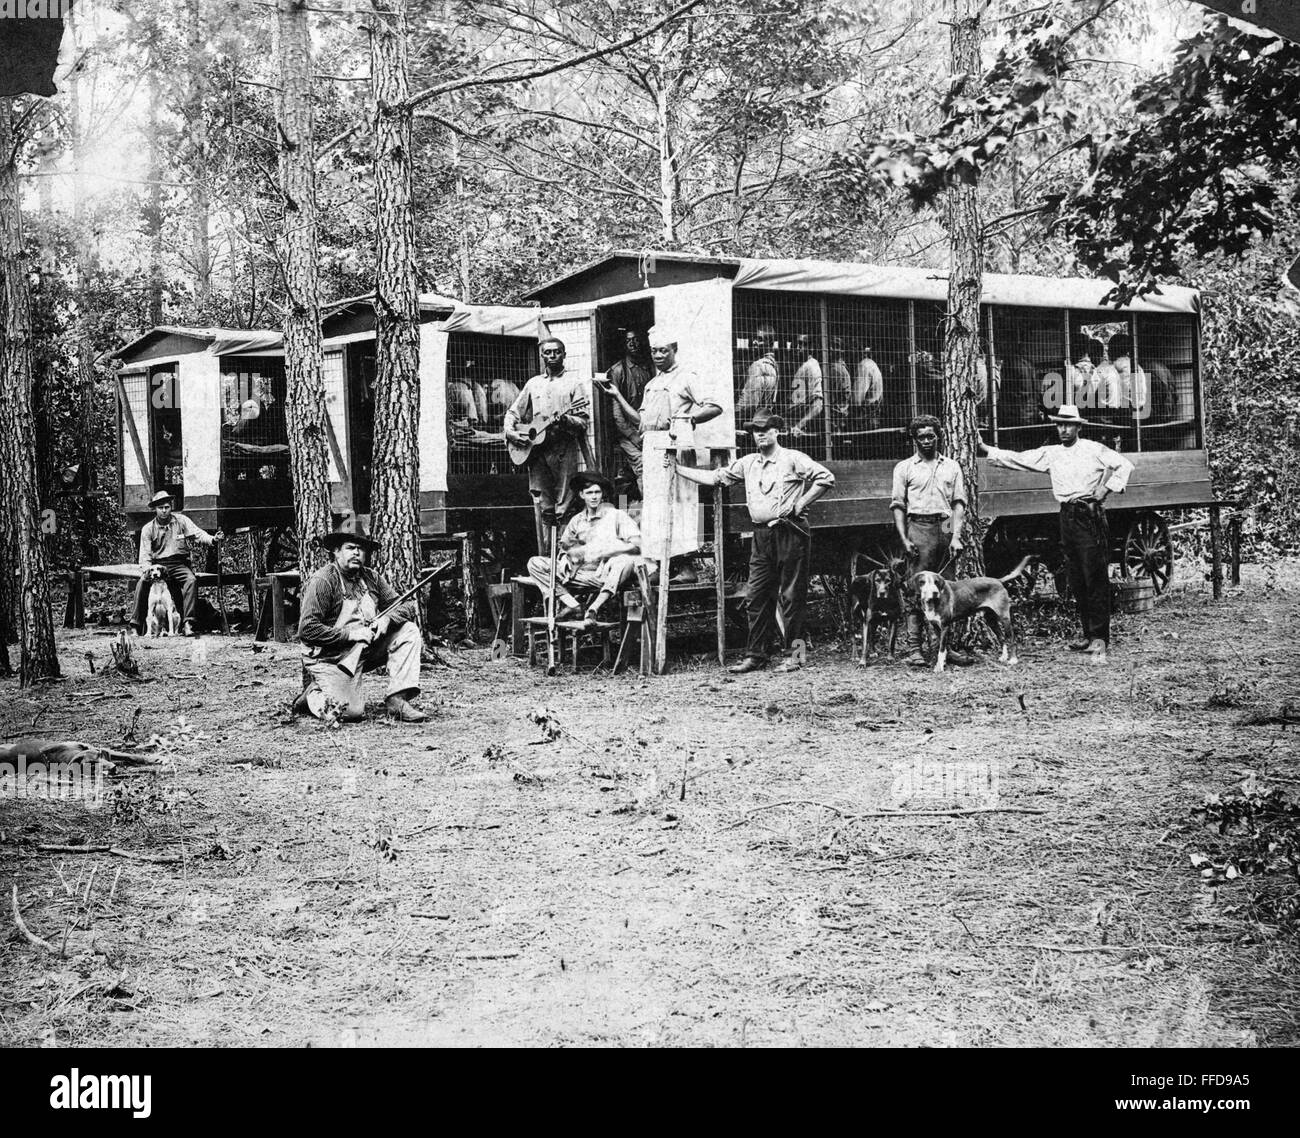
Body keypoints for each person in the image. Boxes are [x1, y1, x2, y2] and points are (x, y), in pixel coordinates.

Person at [668, 412, 835, 674]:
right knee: (756, 596)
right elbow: (716, 478)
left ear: (777, 431)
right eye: (756, 430)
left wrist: (801, 503)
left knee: (792, 596)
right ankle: (757, 656)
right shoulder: (748, 463)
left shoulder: (792, 458)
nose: (760, 434)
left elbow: (826, 478)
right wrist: (678, 470)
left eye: (766, 429)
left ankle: (797, 655)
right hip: (761, 536)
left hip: (790, 532)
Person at [979, 403, 1134, 661]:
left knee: (1094, 575)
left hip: (1089, 515)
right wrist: (986, 449)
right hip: (1066, 515)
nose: (1063, 429)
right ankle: (1087, 633)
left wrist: (1105, 490)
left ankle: (1099, 638)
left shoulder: (1094, 449)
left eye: (1068, 425)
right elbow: (1020, 458)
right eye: (1060, 425)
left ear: (1078, 427)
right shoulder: (1051, 453)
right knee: (1076, 577)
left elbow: (1124, 465)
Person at [597, 325, 721, 583]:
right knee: (655, 507)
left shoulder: (687, 376)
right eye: (654, 351)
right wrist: (617, 395)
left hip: (675, 446)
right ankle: (661, 566)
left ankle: (687, 568)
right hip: (651, 447)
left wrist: (687, 419)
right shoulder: (653, 383)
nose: (658, 355)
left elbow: (713, 406)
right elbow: (641, 421)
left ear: (674, 350)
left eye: (663, 350)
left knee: (679, 506)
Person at [296, 527, 427, 723]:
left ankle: (397, 699)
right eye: (350, 547)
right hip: (329, 658)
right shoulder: (323, 580)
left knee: (408, 630)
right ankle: (312, 695)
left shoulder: (372, 578)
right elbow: (307, 629)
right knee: (349, 712)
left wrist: (387, 619)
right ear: (336, 551)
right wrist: (351, 635)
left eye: (361, 549)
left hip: (363, 651)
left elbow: (406, 606)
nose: (356, 553)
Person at [890, 415, 969, 668]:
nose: (926, 441)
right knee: (917, 589)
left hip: (945, 525)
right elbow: (898, 506)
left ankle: (942, 648)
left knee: (944, 590)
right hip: (919, 526)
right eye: (921, 437)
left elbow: (958, 504)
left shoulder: (952, 466)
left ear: (939, 436)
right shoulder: (904, 468)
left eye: (931, 436)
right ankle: (915, 649)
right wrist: (904, 538)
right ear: (914, 440)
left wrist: (956, 537)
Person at [526, 470, 642, 624]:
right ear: (582, 495)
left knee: (625, 561)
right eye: (589, 493)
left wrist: (611, 551)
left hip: (605, 576)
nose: (594, 496)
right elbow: (565, 549)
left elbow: (637, 545)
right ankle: (573, 606)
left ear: (602, 494)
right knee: (535, 563)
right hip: (578, 576)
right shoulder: (577, 521)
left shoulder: (616, 515)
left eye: (597, 492)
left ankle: (593, 609)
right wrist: (565, 558)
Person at [503, 337, 591, 525]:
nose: (553, 356)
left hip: (562, 449)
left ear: (564, 355)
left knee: (564, 503)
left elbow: (583, 421)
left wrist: (566, 419)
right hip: (536, 450)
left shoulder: (573, 383)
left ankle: (562, 550)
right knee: (543, 505)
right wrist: (510, 431)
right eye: (548, 352)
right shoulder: (533, 383)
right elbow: (513, 412)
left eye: (557, 352)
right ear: (542, 355)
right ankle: (545, 552)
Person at [132, 491, 223, 637]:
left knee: (191, 580)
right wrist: (147, 571)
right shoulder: (148, 528)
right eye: (160, 507)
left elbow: (198, 534)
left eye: (167, 507)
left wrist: (213, 539)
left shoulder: (181, 521)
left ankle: (188, 623)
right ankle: (135, 625)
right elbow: (144, 555)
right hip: (158, 565)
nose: (164, 510)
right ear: (155, 509)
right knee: (142, 582)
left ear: (171, 507)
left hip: (178, 563)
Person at [601, 329, 652, 493]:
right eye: (629, 340)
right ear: (623, 344)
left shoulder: (648, 367)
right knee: (642, 467)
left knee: (638, 473)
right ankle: (642, 510)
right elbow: (617, 414)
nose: (633, 344)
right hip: (626, 434)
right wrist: (633, 436)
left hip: (646, 429)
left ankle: (639, 511)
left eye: (636, 339)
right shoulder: (617, 371)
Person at [736, 325, 779, 428]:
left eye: (759, 339)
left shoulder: (758, 366)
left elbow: (749, 404)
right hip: (764, 420)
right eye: (754, 338)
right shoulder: (774, 365)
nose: (754, 342)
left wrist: (732, 415)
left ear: (770, 343)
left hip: (751, 424)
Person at [789, 334, 825, 442]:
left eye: (802, 344)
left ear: (811, 347)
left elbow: (818, 404)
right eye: (796, 344)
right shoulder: (802, 365)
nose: (797, 348)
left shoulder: (812, 366)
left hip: (800, 429)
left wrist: (800, 425)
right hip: (793, 423)